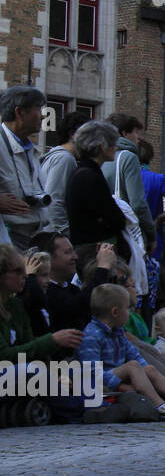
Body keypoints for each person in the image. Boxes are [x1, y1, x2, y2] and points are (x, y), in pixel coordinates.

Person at [77, 283, 165, 418]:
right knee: (133, 366)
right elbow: (92, 372)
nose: (130, 313)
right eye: (128, 308)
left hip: (119, 377)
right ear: (115, 312)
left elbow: (134, 355)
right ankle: (161, 406)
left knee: (147, 368)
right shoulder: (92, 335)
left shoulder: (118, 332)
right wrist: (120, 385)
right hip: (101, 383)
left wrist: (147, 373)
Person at [0, 242, 84, 367]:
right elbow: (4, 356)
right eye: (18, 271)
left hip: (26, 376)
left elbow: (30, 346)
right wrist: (52, 340)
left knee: (85, 373)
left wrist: (58, 374)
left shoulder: (15, 304)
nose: (25, 276)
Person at [65, 121, 128, 271]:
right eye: (113, 143)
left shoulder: (85, 172)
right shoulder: (89, 176)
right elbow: (112, 216)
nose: (116, 147)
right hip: (94, 252)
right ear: (102, 146)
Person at [0, 86, 51, 249]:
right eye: (38, 108)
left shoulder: (30, 148)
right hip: (8, 239)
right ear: (19, 112)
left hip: (35, 236)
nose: (43, 115)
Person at [101, 114, 155, 250]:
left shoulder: (101, 156)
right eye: (136, 133)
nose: (138, 139)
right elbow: (138, 204)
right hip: (125, 233)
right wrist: (151, 234)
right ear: (125, 133)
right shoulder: (128, 157)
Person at [39, 110, 91, 237]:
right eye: (88, 135)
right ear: (73, 135)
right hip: (54, 237)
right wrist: (65, 233)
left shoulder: (61, 157)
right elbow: (53, 200)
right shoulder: (64, 159)